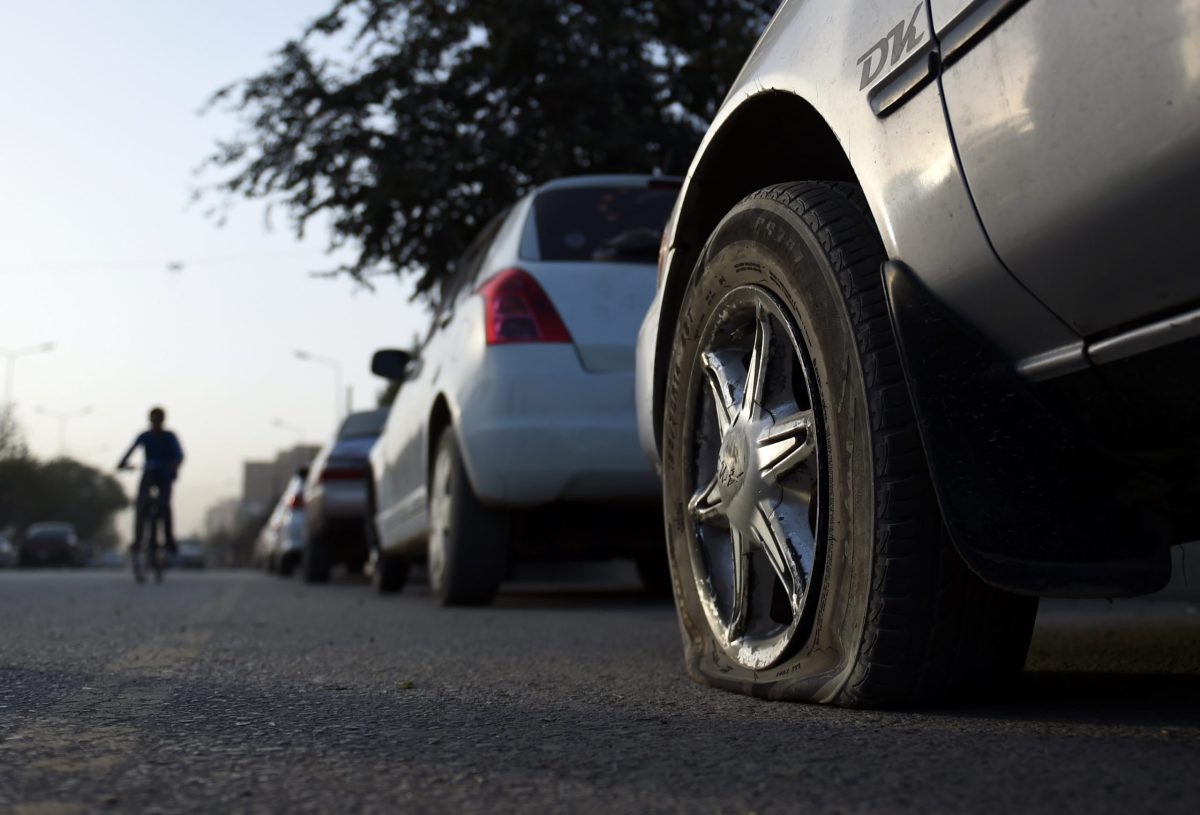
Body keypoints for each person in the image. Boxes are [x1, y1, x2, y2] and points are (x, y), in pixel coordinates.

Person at [117, 406, 184, 561]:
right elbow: (130, 451)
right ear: (150, 419)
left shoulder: (170, 436)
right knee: (141, 505)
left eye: (158, 419)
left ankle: (169, 541)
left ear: (163, 420)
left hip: (165, 475)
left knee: (164, 505)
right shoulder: (144, 436)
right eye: (154, 419)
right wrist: (122, 463)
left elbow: (179, 455)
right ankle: (138, 540)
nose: (156, 422)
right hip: (149, 473)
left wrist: (174, 466)